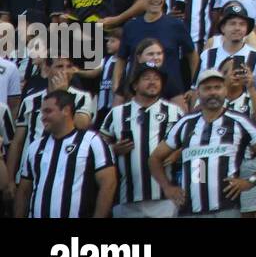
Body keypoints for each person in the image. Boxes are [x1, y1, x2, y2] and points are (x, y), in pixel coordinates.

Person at [149, 69, 256, 218]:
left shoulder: (239, 121)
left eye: (217, 87)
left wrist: (250, 181)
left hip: (226, 210)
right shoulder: (185, 123)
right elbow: (154, 158)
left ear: (225, 91)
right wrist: (167, 187)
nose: (213, 92)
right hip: (189, 211)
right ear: (198, 93)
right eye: (207, 88)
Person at [99, 63, 185, 218]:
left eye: (156, 78)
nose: (152, 82)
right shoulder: (116, 113)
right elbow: (99, 148)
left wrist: (177, 153)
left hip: (164, 199)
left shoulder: (174, 112)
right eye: (147, 78)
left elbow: (190, 143)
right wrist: (114, 149)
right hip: (127, 198)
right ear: (135, 85)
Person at [14, 89, 116, 219]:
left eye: (48, 111)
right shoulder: (35, 147)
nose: (42, 117)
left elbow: (108, 183)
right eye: (42, 112)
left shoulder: (91, 141)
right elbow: (24, 191)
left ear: (66, 110)